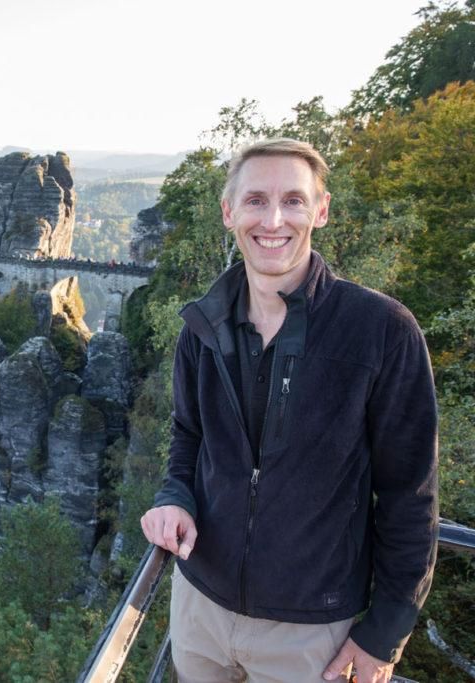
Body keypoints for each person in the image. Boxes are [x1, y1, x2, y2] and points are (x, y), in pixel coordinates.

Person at [140, 139, 438, 683]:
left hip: (311, 631)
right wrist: (174, 497)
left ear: (320, 211)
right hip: (199, 609)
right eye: (255, 200)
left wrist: (384, 633)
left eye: (293, 201)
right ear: (229, 212)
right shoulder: (202, 328)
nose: (273, 219)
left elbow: (409, 494)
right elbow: (188, 435)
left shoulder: (382, 333)